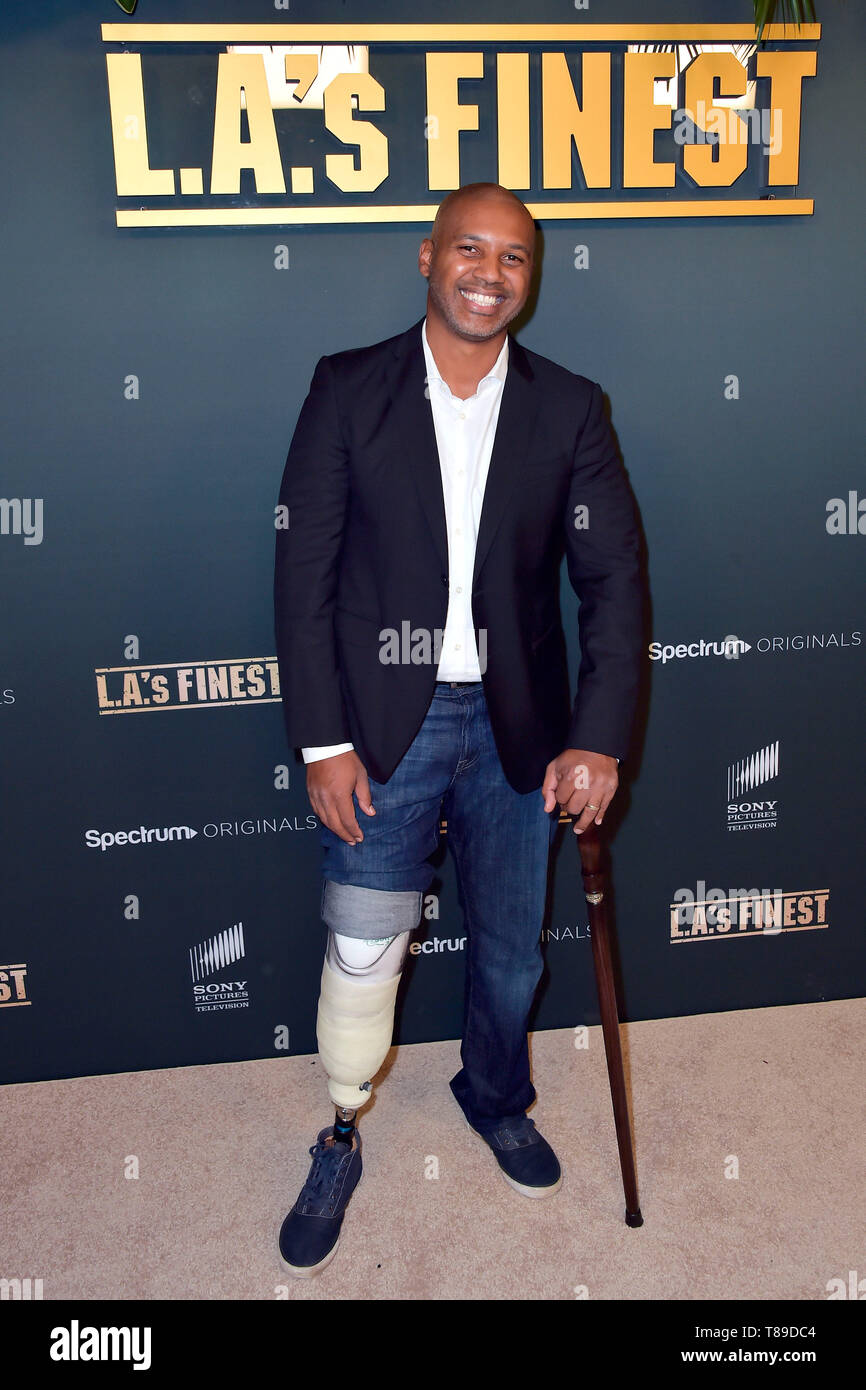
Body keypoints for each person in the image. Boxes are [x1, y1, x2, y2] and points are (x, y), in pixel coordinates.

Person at [273, 182, 644, 1278]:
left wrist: (598, 734)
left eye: (514, 257)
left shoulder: (569, 407)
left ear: (531, 278)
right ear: (427, 257)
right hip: (383, 733)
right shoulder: (348, 390)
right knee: (361, 953)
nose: (489, 272)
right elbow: (303, 575)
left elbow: (613, 581)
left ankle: (494, 1094)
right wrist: (321, 740)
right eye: (469, 249)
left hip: (518, 729)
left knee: (506, 955)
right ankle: (340, 1129)